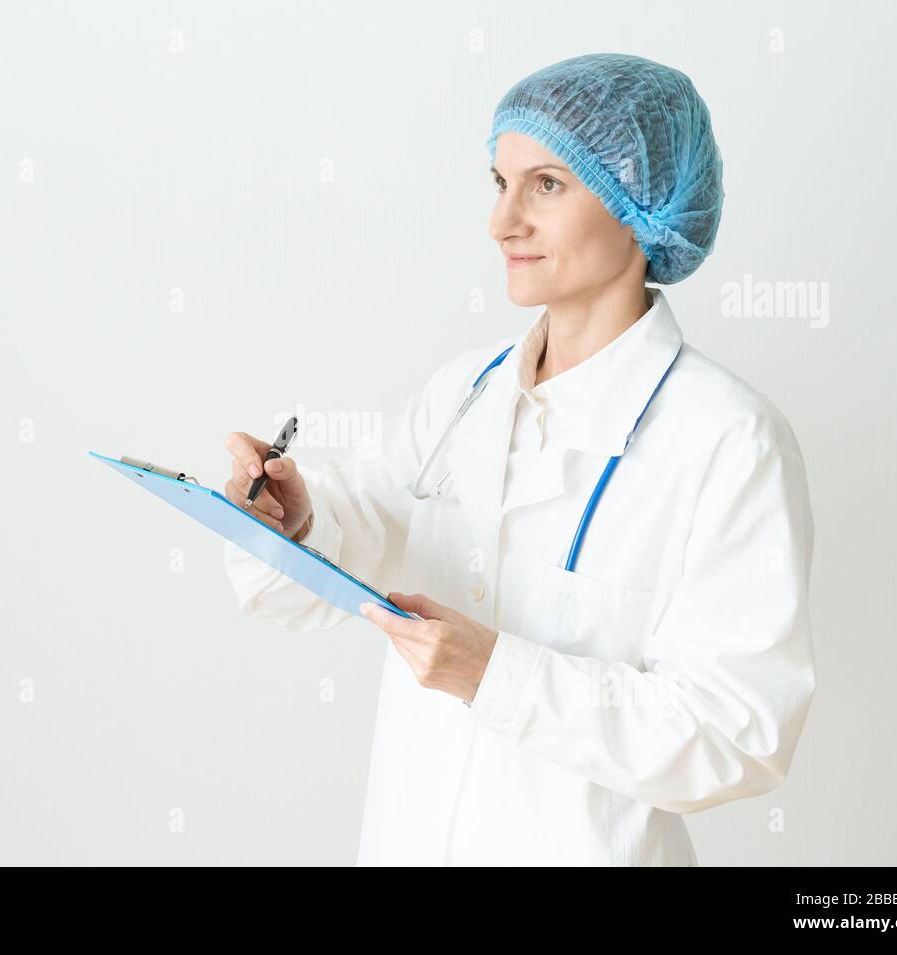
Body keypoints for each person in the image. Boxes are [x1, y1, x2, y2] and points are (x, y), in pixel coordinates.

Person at [221, 53, 816, 866]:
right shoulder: (462, 392)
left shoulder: (729, 439)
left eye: (546, 185)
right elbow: (355, 540)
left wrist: (497, 674)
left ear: (640, 202)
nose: (502, 223)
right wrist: (293, 520)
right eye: (498, 183)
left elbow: (736, 733)